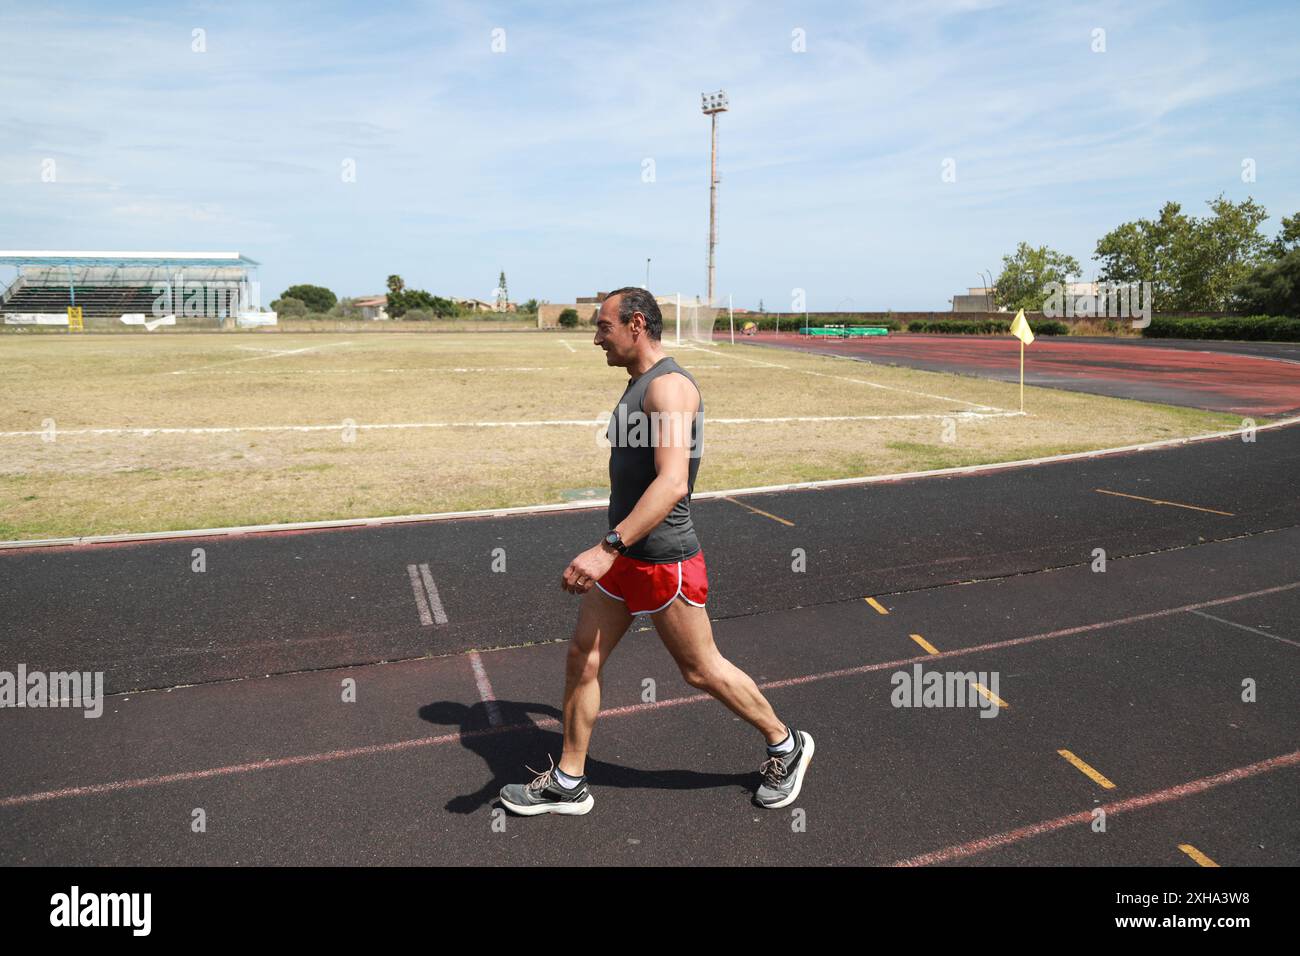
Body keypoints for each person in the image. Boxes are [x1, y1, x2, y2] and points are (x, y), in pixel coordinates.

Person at [499, 287, 813, 816]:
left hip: (661, 559)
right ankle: (569, 781)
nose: (597, 336)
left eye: (604, 326)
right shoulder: (639, 385)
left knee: (700, 670)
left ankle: (786, 743)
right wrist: (615, 551)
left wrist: (606, 547)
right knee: (583, 658)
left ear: (636, 324)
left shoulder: (669, 389)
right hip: (625, 558)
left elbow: (671, 484)